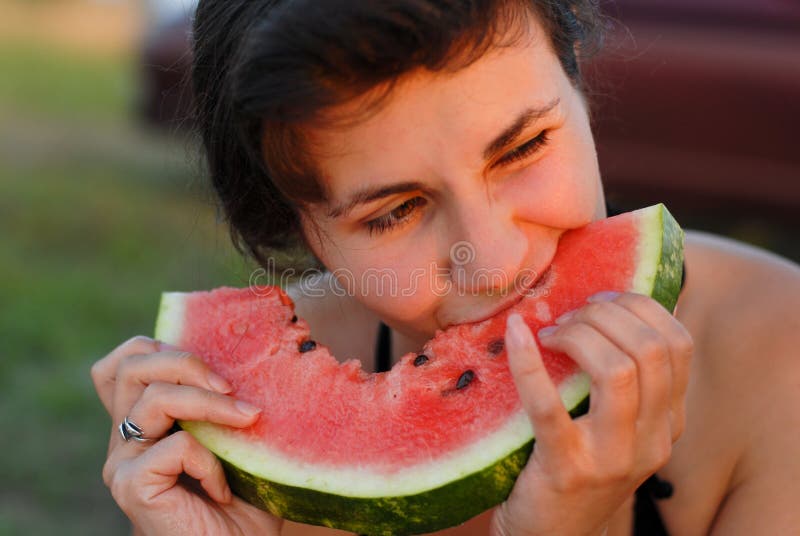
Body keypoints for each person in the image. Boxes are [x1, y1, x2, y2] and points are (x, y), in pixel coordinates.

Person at [90, 1, 800, 534]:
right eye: (394, 211)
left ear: (577, 84)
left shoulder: (777, 356)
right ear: (299, 230)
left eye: (522, 149)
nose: (491, 263)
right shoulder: (244, 428)